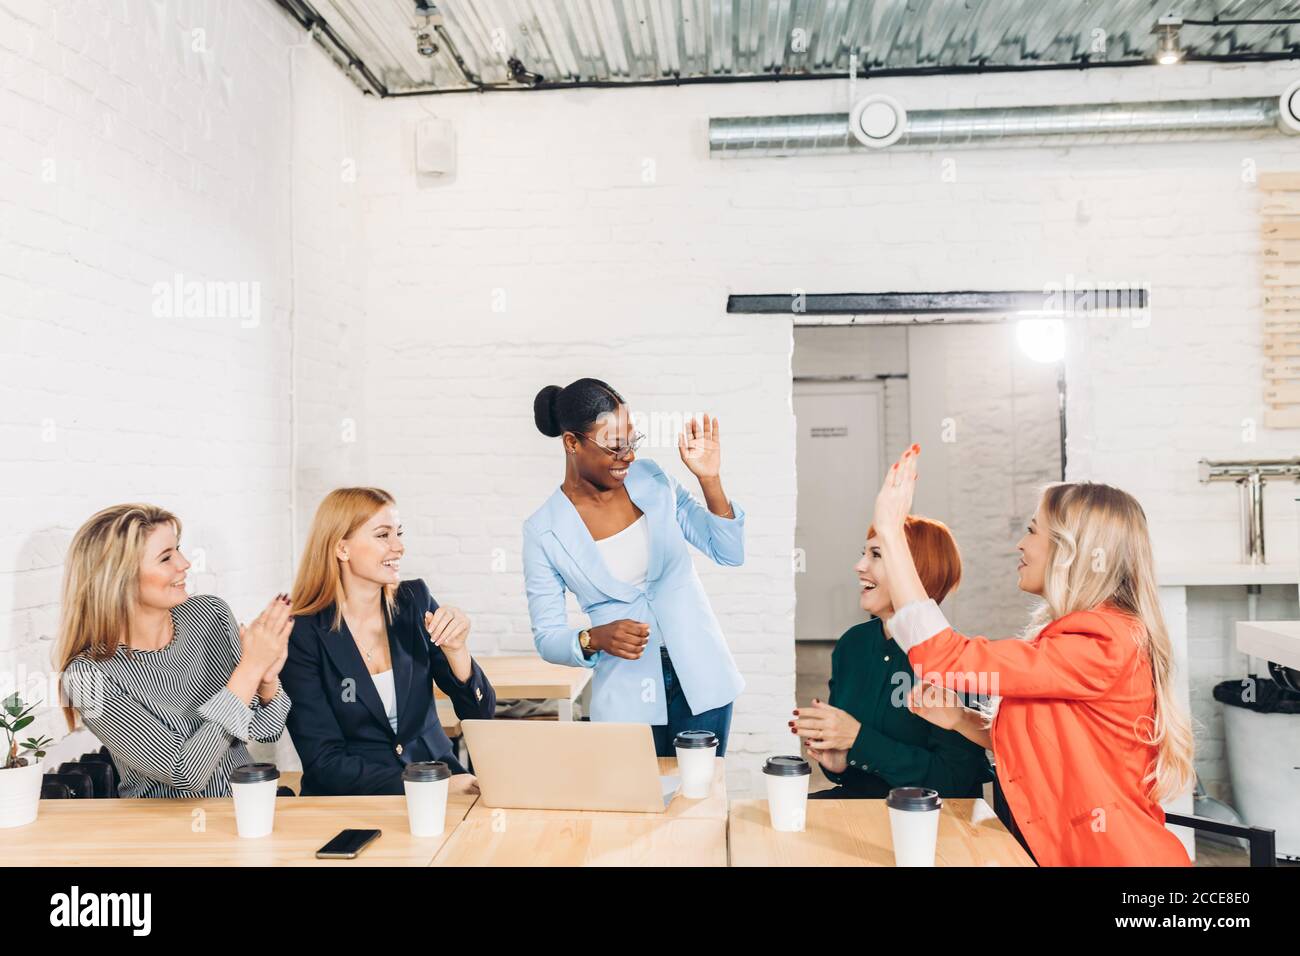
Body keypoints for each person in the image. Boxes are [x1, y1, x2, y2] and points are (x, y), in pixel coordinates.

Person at [874, 444, 1194, 866]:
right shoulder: (1086, 634)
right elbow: (1054, 748)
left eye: (1031, 530)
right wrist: (961, 720)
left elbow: (947, 657)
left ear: (1070, 550)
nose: (1019, 545)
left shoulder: (1101, 640)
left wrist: (892, 533)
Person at [523, 378, 744, 755]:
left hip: (703, 679)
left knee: (699, 803)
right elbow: (547, 635)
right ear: (572, 443)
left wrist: (710, 480)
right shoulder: (543, 530)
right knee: (639, 808)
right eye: (614, 445)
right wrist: (594, 637)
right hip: (626, 694)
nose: (627, 455)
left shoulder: (654, 480)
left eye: (632, 441)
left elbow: (728, 551)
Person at [56, 504, 292, 798]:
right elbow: (185, 774)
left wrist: (267, 681)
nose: (184, 563)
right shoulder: (86, 678)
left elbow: (265, 730)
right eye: (166, 557)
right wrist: (249, 671)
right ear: (120, 579)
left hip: (246, 807)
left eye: (178, 549)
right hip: (167, 832)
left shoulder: (210, 615)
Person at [281, 487, 493, 796]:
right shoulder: (302, 634)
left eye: (399, 533)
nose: (398, 547)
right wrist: (430, 786)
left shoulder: (415, 601)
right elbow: (324, 763)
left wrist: (457, 651)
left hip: (443, 783)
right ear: (342, 548)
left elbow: (480, 715)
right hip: (356, 801)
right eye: (383, 536)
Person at [794, 515, 991, 799]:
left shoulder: (957, 661)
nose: (859, 566)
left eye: (877, 555)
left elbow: (955, 784)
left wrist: (859, 739)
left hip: (932, 820)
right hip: (859, 809)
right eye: (864, 554)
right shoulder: (853, 644)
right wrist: (838, 762)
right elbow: (852, 773)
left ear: (915, 571)